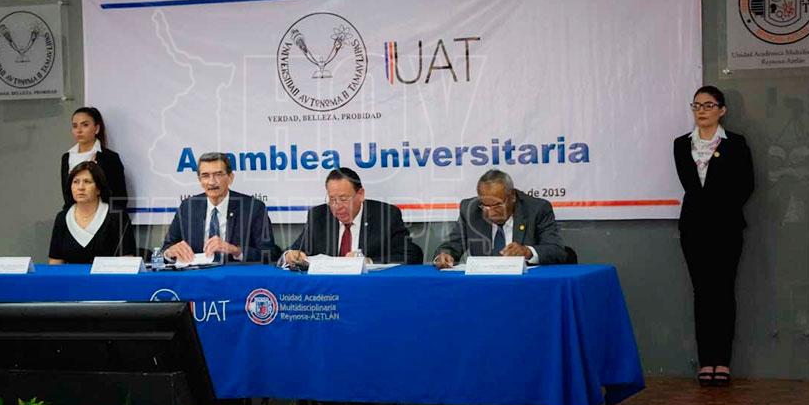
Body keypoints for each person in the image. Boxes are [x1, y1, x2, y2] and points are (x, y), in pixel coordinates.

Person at [673, 85, 754, 387]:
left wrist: (718, 210)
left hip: (726, 228)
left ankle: (723, 361)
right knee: (702, 293)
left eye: (708, 105)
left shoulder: (736, 143)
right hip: (694, 229)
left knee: (723, 292)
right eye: (697, 105)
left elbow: (746, 185)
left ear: (722, 110)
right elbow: (691, 186)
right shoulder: (681, 144)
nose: (702, 111)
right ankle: (706, 361)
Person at [283, 167, 424, 267]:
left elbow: (412, 254)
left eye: (344, 199)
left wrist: (368, 262)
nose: (337, 206)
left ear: (360, 194)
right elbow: (293, 250)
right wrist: (290, 255)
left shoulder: (385, 215)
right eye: (332, 199)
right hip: (328, 290)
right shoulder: (318, 216)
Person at [161, 152, 279, 264]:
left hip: (235, 275)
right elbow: (165, 249)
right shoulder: (187, 207)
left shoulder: (253, 208)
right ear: (200, 180)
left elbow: (270, 254)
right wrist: (169, 253)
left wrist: (236, 251)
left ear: (230, 177)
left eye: (218, 174)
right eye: (205, 176)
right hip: (197, 275)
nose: (212, 182)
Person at [433, 169, 566, 268]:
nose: (491, 213)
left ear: (512, 196)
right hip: (484, 285)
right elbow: (450, 246)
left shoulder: (537, 209)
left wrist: (528, 252)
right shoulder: (471, 210)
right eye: (485, 206)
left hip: (525, 284)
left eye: (497, 205)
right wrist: (443, 256)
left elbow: (557, 251)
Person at [49, 161, 136, 264]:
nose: (80, 187)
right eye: (75, 182)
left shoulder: (117, 216)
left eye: (87, 182)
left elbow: (128, 261)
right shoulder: (62, 217)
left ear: (98, 188)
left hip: (108, 274)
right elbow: (55, 262)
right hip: (71, 275)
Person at [60, 107, 128, 210]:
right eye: (75, 126)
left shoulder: (109, 157)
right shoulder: (67, 157)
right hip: (75, 215)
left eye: (85, 125)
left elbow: (119, 197)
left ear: (97, 128)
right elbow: (67, 196)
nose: (79, 130)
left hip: (105, 215)